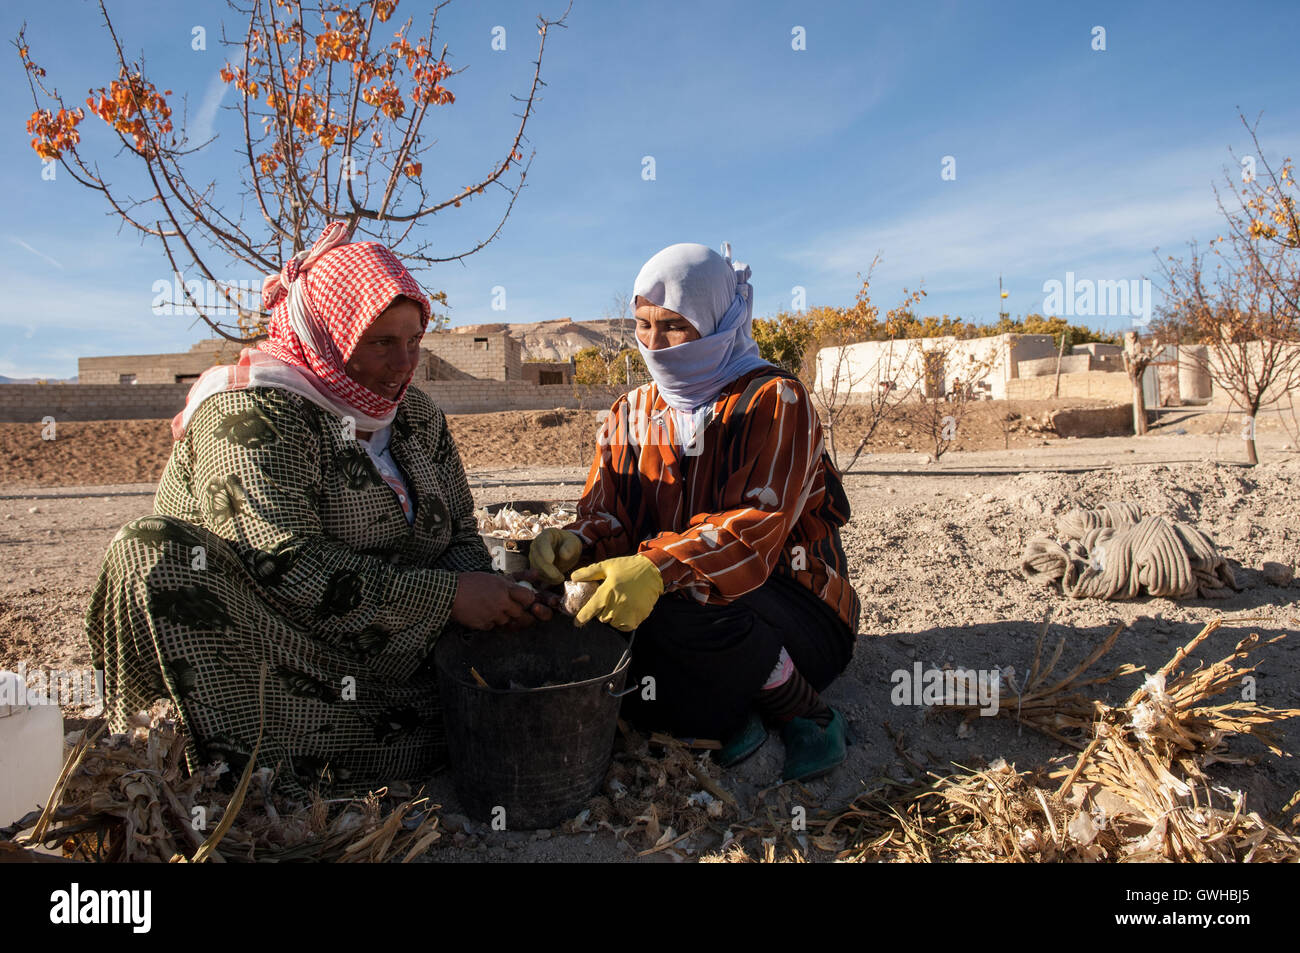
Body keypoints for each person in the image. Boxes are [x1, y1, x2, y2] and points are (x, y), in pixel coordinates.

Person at [86, 222, 552, 799]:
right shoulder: (253, 414)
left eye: (414, 341)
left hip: (397, 650)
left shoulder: (416, 417)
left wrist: (487, 593)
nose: (404, 362)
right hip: (278, 651)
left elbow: (457, 534)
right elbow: (284, 565)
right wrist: (448, 599)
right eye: (381, 342)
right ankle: (209, 761)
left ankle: (408, 730)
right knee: (148, 551)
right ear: (326, 336)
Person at [531, 242, 859, 781]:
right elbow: (606, 509)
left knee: (684, 606)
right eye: (642, 325)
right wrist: (580, 541)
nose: (655, 344)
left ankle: (804, 709)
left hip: (786, 607)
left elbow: (755, 532)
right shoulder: (630, 411)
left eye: (674, 327)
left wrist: (658, 569)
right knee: (588, 622)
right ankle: (725, 715)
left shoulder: (776, 400)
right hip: (676, 604)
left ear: (717, 321)